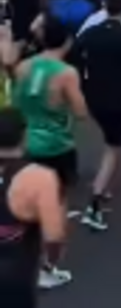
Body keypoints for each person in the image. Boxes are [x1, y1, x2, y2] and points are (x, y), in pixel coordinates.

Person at [11, 17, 87, 289]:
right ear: (66, 41)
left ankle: (22, 255)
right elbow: (80, 112)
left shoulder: (22, 67)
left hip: (26, 143)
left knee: (23, 201)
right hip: (57, 146)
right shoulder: (66, 73)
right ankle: (48, 266)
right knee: (57, 204)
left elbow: (16, 102)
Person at [71, 0, 121, 232]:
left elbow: (74, 57)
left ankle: (106, 190)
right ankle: (94, 201)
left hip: (93, 96)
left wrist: (82, 81)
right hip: (119, 97)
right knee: (113, 148)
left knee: (110, 143)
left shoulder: (90, 32)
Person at [0, 110, 69, 308]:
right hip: (13, 280)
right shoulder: (39, 178)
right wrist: (50, 262)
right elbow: (54, 235)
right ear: (24, 136)